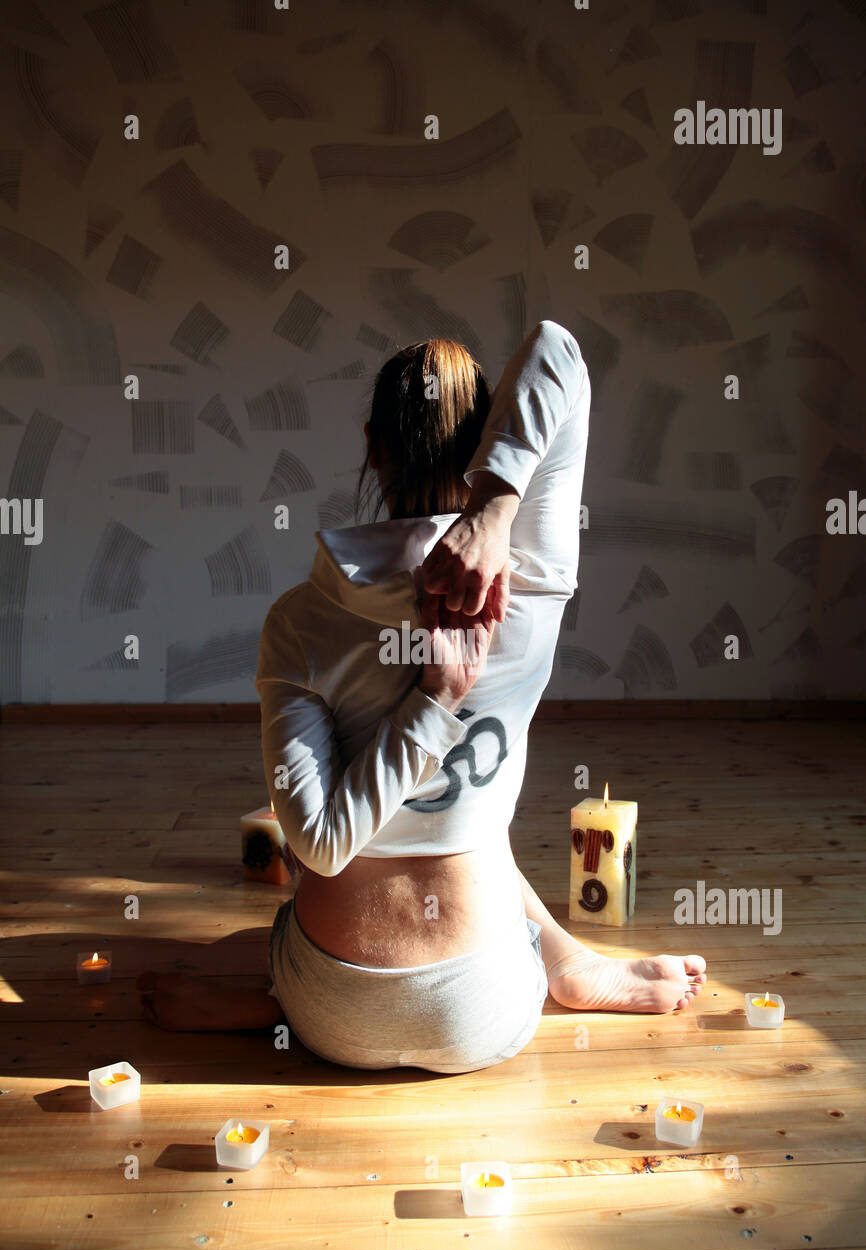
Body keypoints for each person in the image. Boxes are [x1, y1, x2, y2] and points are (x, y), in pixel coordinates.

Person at [139, 322, 705, 1059]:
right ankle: (561, 961)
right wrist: (497, 509)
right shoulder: (530, 581)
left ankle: (272, 1005)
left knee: (313, 893)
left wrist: (427, 708)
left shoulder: (298, 621)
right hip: (489, 1005)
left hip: (329, 1011)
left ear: (373, 446)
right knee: (477, 826)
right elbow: (557, 351)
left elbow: (317, 845)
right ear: (483, 449)